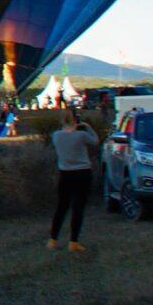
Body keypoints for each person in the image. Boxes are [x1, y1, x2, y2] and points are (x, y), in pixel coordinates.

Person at [48, 108, 95, 252]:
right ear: (75, 119)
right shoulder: (81, 135)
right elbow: (95, 141)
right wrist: (88, 127)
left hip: (65, 174)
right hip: (82, 173)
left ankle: (53, 239)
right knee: (78, 208)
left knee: (61, 207)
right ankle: (73, 241)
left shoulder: (56, 135)